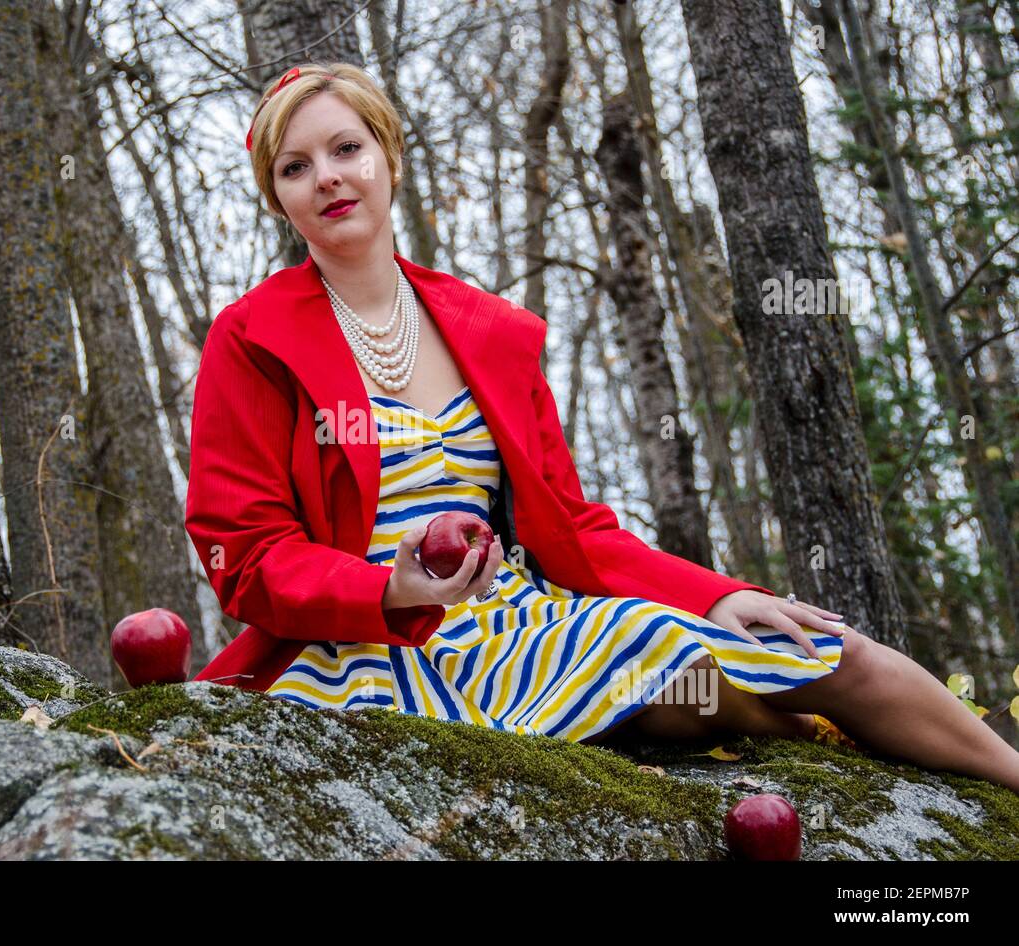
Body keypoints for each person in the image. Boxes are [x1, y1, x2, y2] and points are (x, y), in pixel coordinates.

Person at [184, 61, 1019, 794]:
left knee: (823, 655)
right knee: (704, 704)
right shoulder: (252, 339)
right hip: (367, 648)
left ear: (388, 157)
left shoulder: (494, 331)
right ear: (279, 197)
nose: (328, 177)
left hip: (521, 623)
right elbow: (246, 553)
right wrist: (390, 588)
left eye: (346, 149)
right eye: (296, 167)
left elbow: (575, 528)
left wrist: (720, 593)